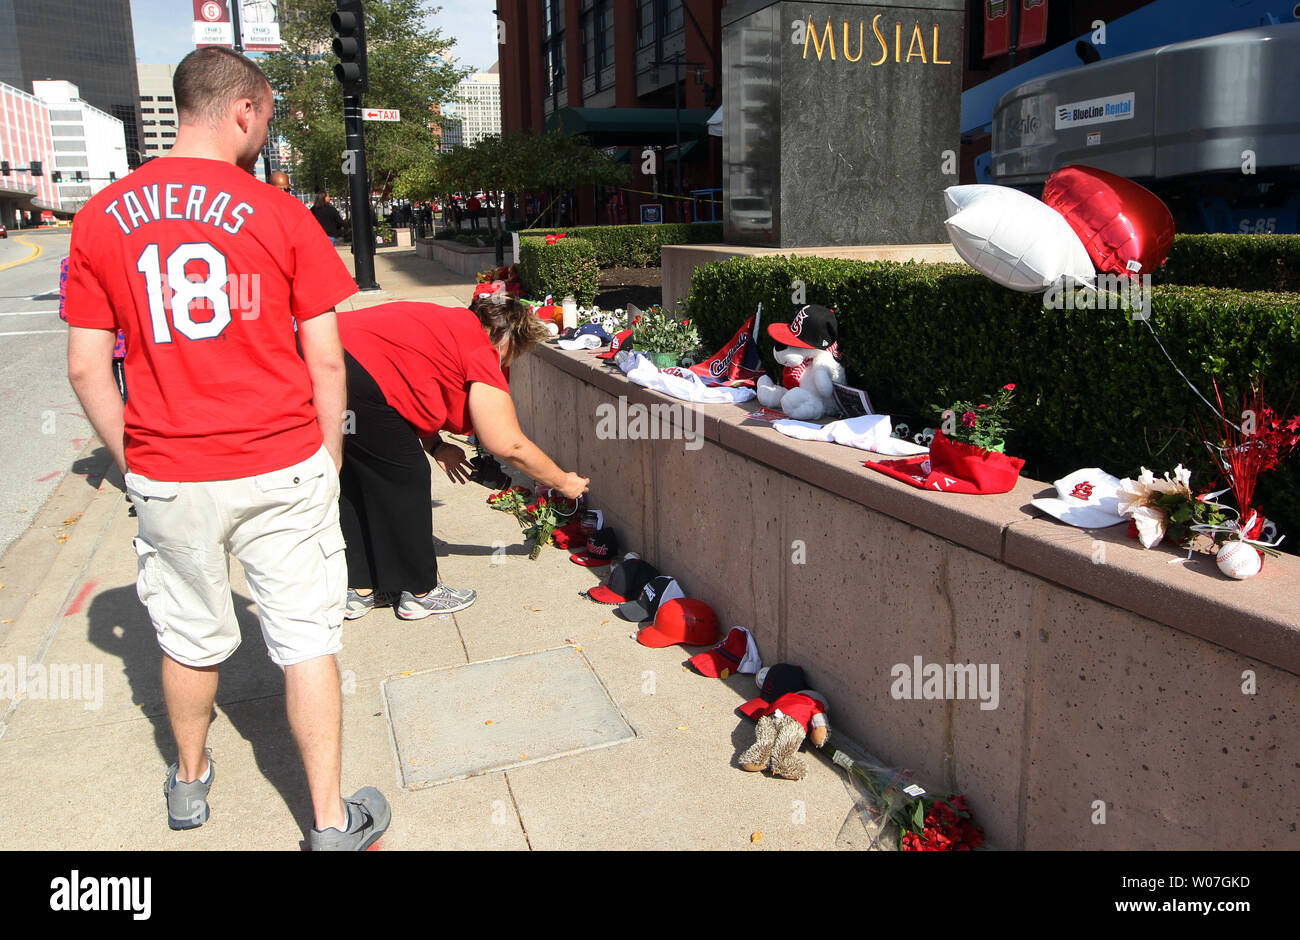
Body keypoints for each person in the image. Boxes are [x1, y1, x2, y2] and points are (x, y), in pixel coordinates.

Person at [63, 46, 389, 851]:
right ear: (244, 109)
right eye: (268, 117)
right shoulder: (280, 213)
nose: (263, 133)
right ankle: (326, 822)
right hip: (282, 459)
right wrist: (330, 458)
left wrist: (135, 459)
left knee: (187, 636)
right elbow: (324, 358)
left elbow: (84, 366)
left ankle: (189, 779)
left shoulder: (102, 216)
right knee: (307, 640)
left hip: (171, 470)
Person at [336, 294, 588, 621]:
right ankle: (419, 592)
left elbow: (406, 380)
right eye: (513, 353)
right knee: (406, 478)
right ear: (505, 336)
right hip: (354, 371)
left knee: (357, 479)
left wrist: (437, 445)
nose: (507, 363)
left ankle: (359, 589)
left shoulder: (449, 325)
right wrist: (563, 481)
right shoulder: (479, 345)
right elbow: (508, 443)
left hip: (325, 360)